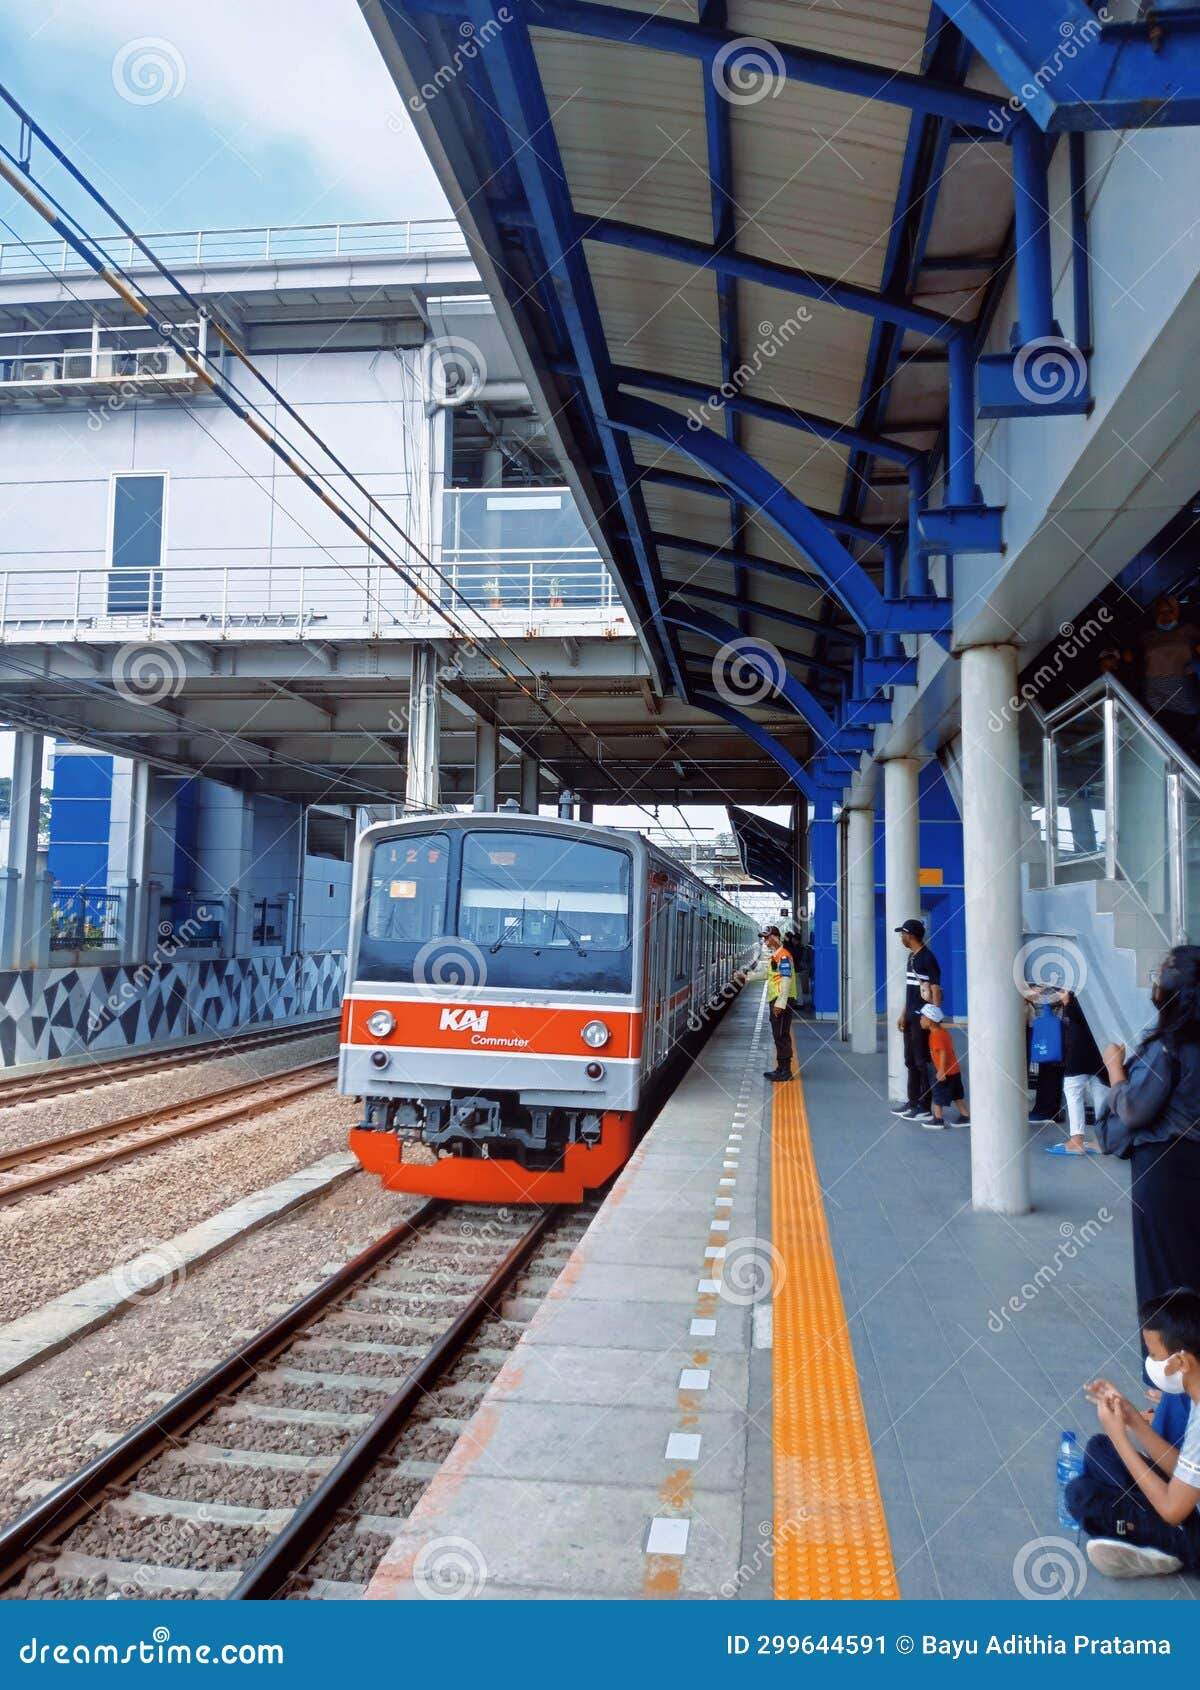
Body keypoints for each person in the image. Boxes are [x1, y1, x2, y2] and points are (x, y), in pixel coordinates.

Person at [1066, 1289, 1200, 1580]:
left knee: (1081, 1495)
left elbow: (1172, 1509)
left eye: (1154, 1354)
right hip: (1188, 1499)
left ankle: (1171, 1548)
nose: (1150, 1362)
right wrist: (1133, 1420)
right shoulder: (1195, 1394)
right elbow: (1186, 1471)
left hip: (1187, 1522)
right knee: (1100, 1448)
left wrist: (1120, 1438)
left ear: (1183, 1363)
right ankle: (1135, 1527)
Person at [1100, 946, 1200, 1312]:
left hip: (1165, 1174)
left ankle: (1163, 1367)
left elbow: (1133, 1109)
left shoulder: (1168, 1047)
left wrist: (1114, 1070)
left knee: (1164, 1282)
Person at [1136, 594, 1200, 756]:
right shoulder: (1147, 637)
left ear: (1176, 612)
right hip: (1155, 694)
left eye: (1169, 611)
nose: (1165, 616)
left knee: (1188, 739)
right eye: (1161, 612)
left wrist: (1193, 667)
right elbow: (1139, 663)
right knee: (1166, 741)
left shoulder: (1189, 631)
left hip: (1182, 690)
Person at [891, 918, 941, 1122]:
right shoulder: (912, 957)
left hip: (922, 1019)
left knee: (922, 1062)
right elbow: (911, 990)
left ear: (910, 935)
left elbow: (936, 989)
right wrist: (904, 1014)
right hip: (911, 1017)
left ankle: (924, 1106)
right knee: (910, 1060)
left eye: (902, 934)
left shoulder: (928, 958)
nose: (901, 937)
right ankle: (912, 1102)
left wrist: (933, 1017)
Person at [1047, 988, 1105, 1155]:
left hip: (1080, 1046)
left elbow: (1078, 1016)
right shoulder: (1103, 984)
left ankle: (1076, 1140)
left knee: (1073, 1088)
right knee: (1100, 1090)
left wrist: (1067, 1001)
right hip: (1101, 1044)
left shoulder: (1079, 989)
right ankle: (1102, 1141)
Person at [920, 1004, 969, 1129]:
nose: (920, 1019)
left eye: (922, 1017)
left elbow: (942, 1052)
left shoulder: (936, 1035)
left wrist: (941, 1070)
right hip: (954, 1071)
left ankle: (938, 1119)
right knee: (956, 1095)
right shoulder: (943, 1032)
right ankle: (965, 1116)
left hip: (945, 1072)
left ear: (930, 1021)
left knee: (938, 1094)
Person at [762, 925, 797, 1084]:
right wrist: (746, 977)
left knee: (781, 1036)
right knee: (778, 1035)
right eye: (764, 938)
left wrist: (780, 1004)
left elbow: (786, 980)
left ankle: (785, 1071)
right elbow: (768, 975)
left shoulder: (783, 956)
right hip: (776, 1000)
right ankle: (781, 1068)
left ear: (776, 937)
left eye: (767, 938)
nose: (766, 941)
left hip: (781, 1002)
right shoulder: (776, 956)